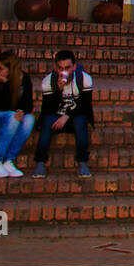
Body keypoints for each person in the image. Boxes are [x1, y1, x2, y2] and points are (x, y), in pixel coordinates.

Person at [33, 50, 94, 178]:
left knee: (80, 121)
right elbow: (47, 110)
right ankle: (40, 162)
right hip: (55, 116)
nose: (63, 72)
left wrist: (66, 116)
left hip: (73, 116)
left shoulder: (84, 79)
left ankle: (82, 162)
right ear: (55, 68)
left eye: (67, 68)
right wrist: (58, 91)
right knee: (47, 121)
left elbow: (85, 106)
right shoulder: (48, 82)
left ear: (74, 67)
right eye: (60, 68)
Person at [0, 49, 34, 178]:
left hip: (12, 119)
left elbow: (28, 104)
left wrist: (22, 111)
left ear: (11, 69)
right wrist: (4, 85)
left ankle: (8, 161)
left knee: (29, 119)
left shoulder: (24, 79)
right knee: (12, 116)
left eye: (1, 68)